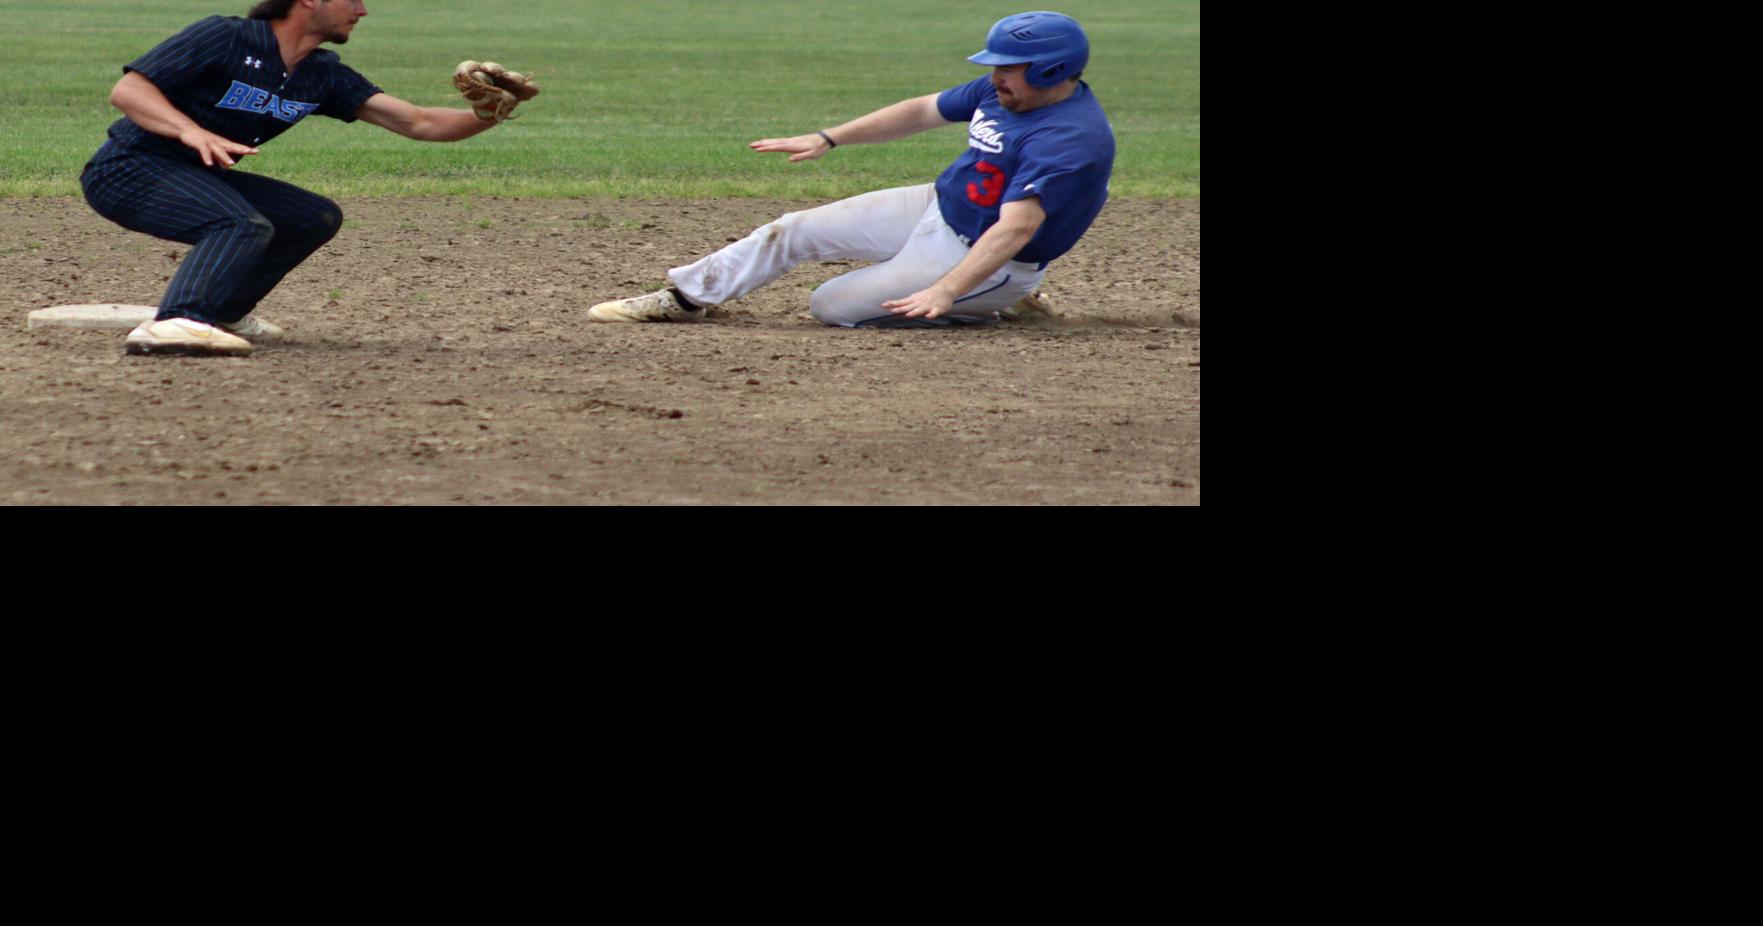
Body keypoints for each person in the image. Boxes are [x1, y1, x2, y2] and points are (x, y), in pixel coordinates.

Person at [587, 10, 1114, 329]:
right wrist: (828, 138)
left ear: (1051, 70)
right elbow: (920, 111)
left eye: (1008, 66)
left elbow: (1016, 227)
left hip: (991, 255)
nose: (995, 75)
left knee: (833, 307)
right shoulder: (1001, 94)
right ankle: (683, 299)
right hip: (936, 207)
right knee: (792, 229)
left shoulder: (1070, 138)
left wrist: (947, 290)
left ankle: (990, 302)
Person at [83, 1, 519, 356]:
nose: (362, 10)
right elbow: (129, 90)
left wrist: (492, 112)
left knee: (313, 217)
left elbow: (419, 123)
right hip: (129, 168)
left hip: (192, 173)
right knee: (238, 223)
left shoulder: (321, 73)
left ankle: (222, 312)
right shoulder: (227, 36)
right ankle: (177, 321)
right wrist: (189, 130)